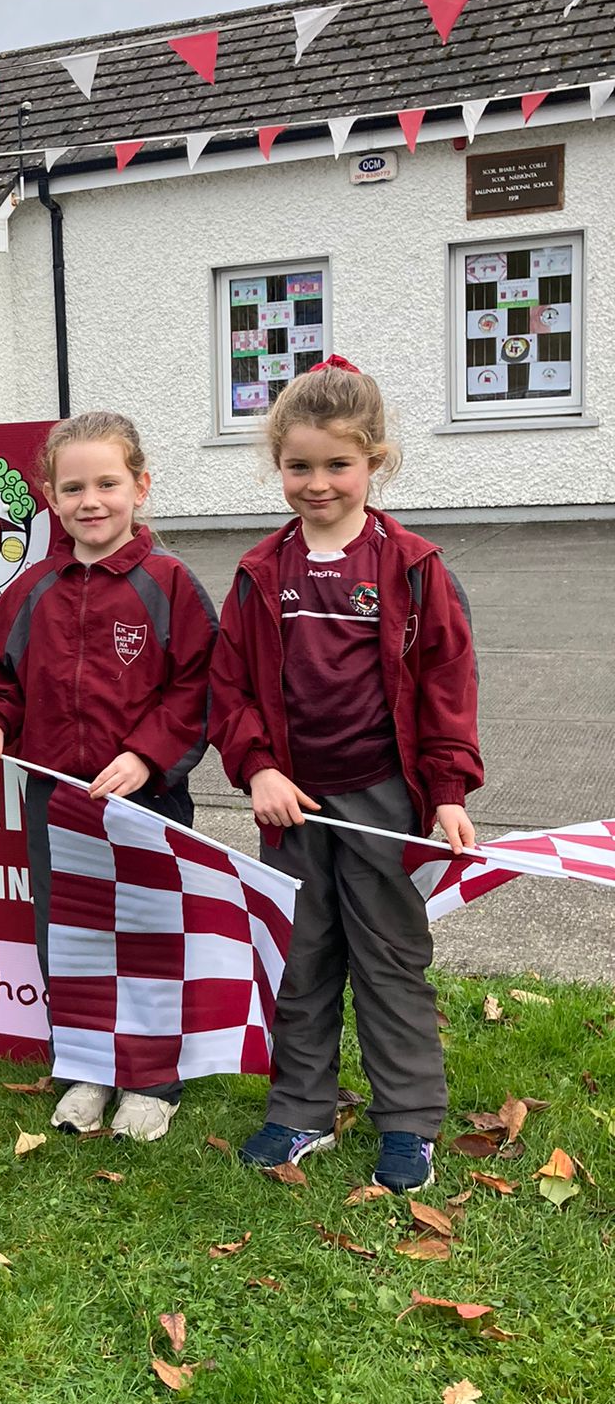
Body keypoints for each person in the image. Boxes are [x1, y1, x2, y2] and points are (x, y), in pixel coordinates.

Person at [209, 356, 483, 1194]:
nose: (316, 482)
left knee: (390, 958)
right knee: (302, 956)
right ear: (277, 466)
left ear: (375, 462)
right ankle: (299, 1110)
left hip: (383, 800)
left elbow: (446, 681)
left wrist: (445, 790)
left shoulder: (412, 566)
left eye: (337, 464)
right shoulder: (261, 572)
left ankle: (408, 1123)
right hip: (291, 805)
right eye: (299, 465)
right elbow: (231, 689)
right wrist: (255, 768)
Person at [0, 410, 218, 1141]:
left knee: (145, 935)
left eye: (108, 483)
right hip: (56, 799)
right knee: (70, 935)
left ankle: (151, 1081)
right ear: (49, 495)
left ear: (140, 486)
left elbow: (197, 686)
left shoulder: (168, 583)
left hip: (148, 800)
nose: (91, 500)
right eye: (73, 487)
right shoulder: (31, 589)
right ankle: (86, 1069)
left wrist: (147, 755)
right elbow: (5, 683)